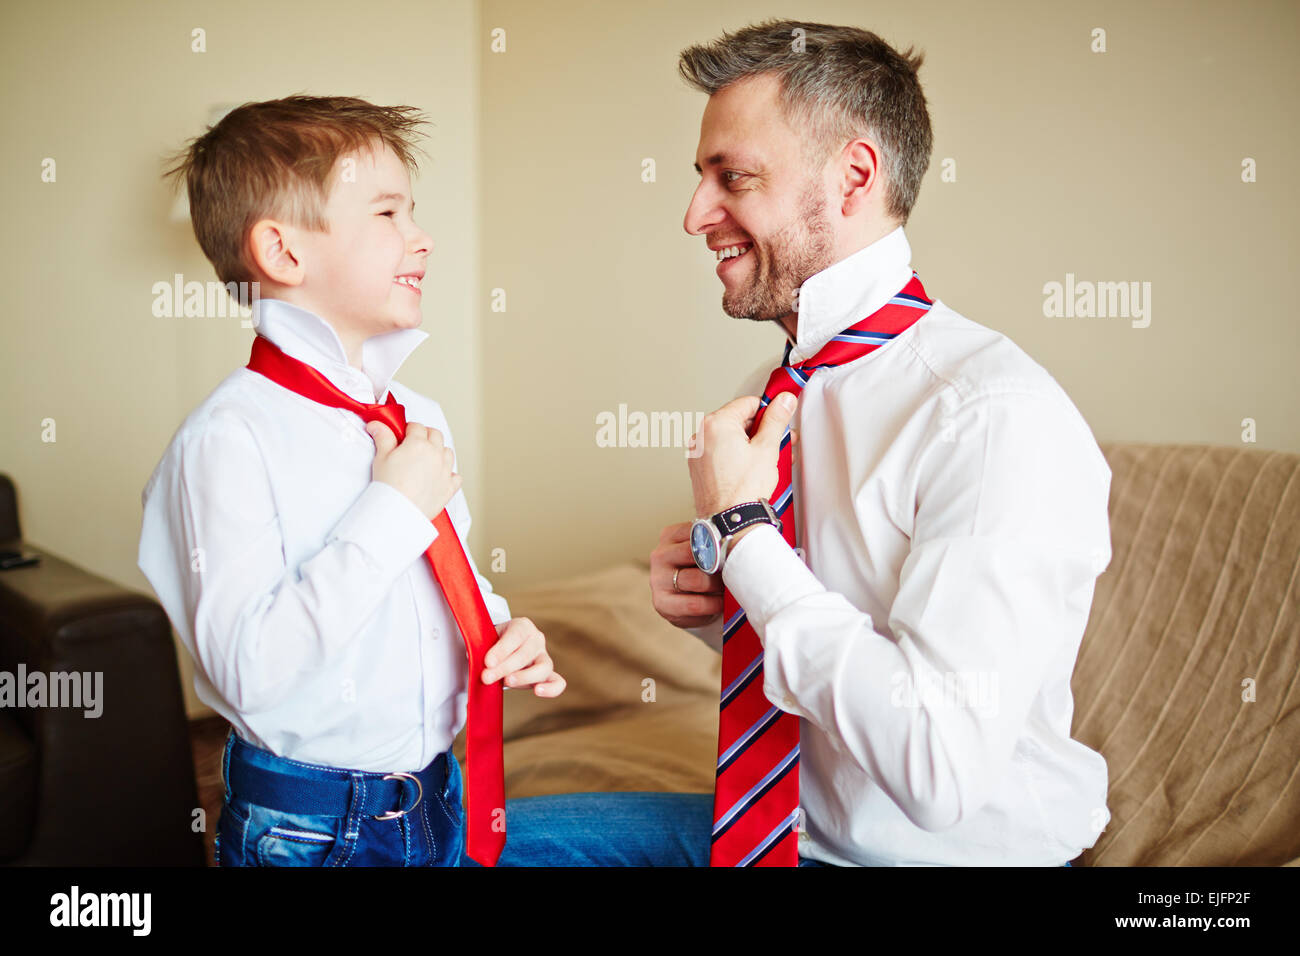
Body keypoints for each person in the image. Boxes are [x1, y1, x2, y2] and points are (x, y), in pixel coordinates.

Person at [481, 19, 1109, 867]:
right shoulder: (770, 394)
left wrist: (745, 534)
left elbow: (936, 768)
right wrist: (721, 601)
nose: (695, 214)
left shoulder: (993, 416)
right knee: (457, 846)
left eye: (731, 177)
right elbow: (824, 638)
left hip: (945, 857)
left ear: (853, 177)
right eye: (701, 179)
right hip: (787, 833)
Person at [138, 95, 564, 868]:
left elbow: (437, 579)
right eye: (387, 214)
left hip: (438, 798)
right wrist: (394, 506)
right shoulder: (225, 441)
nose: (422, 239)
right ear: (284, 252)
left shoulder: (415, 413)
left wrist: (499, 629)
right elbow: (252, 670)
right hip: (313, 830)